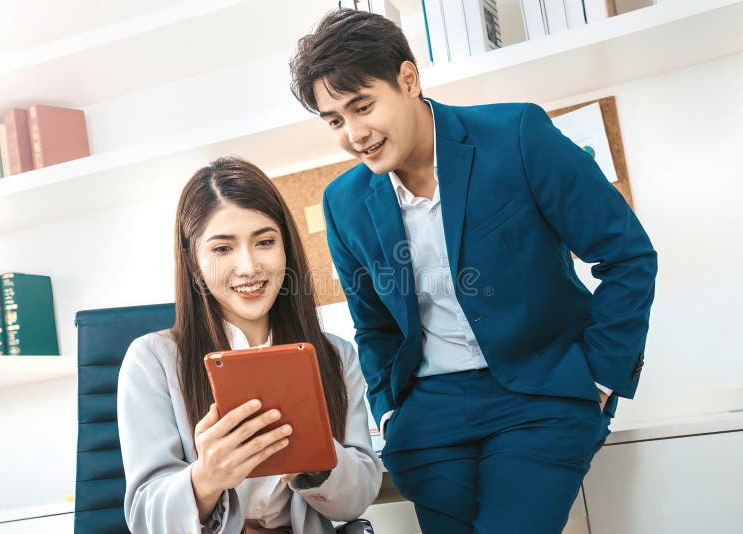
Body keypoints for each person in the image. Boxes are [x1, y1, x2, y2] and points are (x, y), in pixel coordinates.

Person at [289, 9, 657, 533]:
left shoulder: (517, 135)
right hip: (430, 417)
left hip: (542, 392)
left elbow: (628, 255)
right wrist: (390, 412)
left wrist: (599, 375)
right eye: (334, 121)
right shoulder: (344, 203)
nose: (354, 133)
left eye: (362, 106)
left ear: (408, 80)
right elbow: (373, 325)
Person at [117, 156, 381, 533]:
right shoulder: (152, 360)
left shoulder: (335, 356)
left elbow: (357, 499)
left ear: (286, 248)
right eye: (222, 248)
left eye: (265, 242)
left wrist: (314, 459)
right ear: (194, 261)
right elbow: (145, 519)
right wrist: (206, 477)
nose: (248, 267)